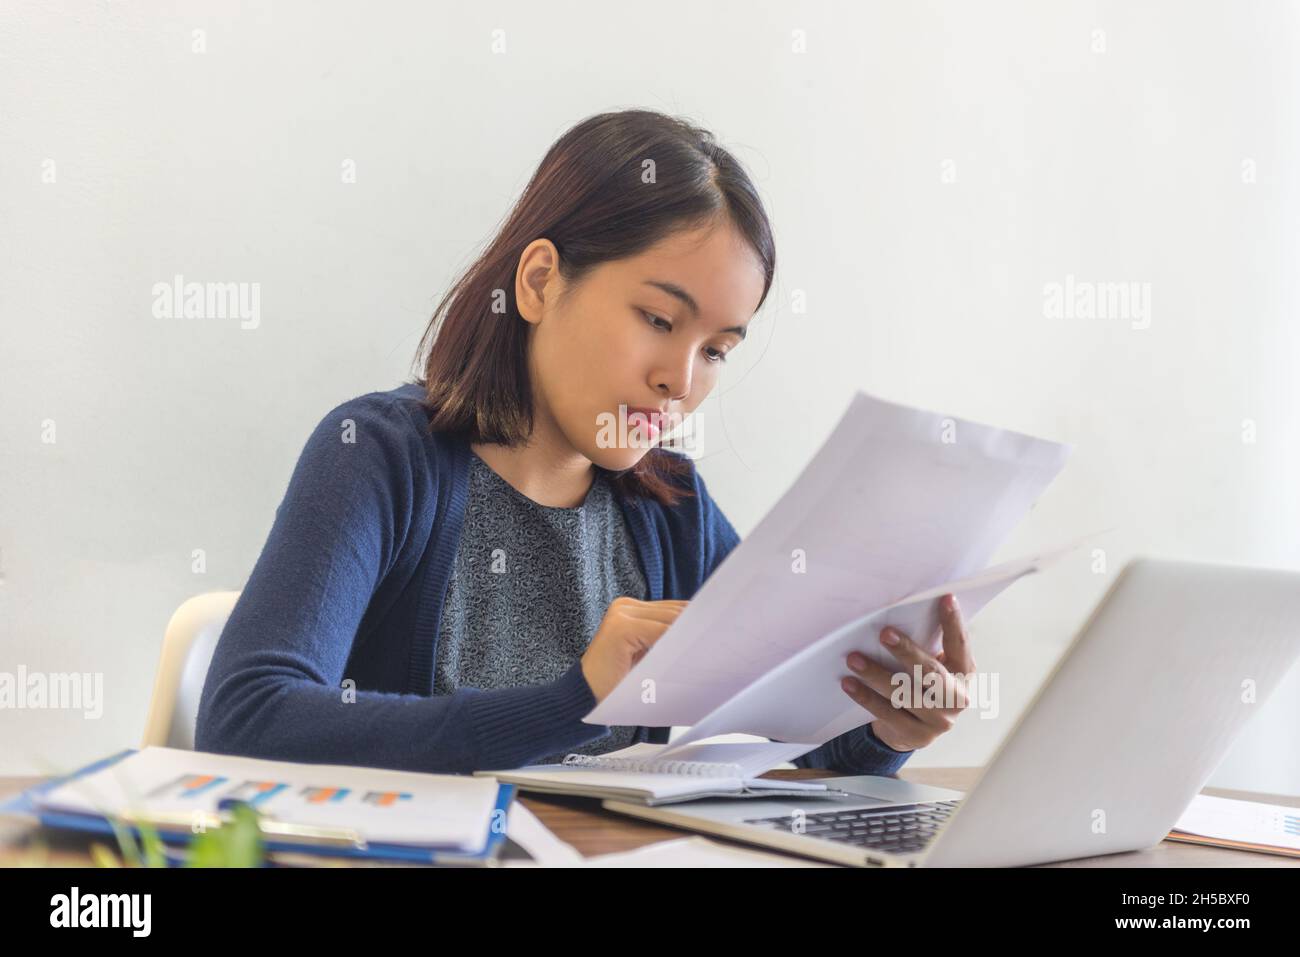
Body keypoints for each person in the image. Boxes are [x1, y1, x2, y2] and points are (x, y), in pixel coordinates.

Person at [195, 109, 976, 775]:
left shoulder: (674, 510)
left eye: (716, 350)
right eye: (660, 321)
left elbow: (780, 747)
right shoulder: (378, 457)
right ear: (538, 282)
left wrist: (883, 731)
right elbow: (246, 723)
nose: (681, 378)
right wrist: (575, 702)